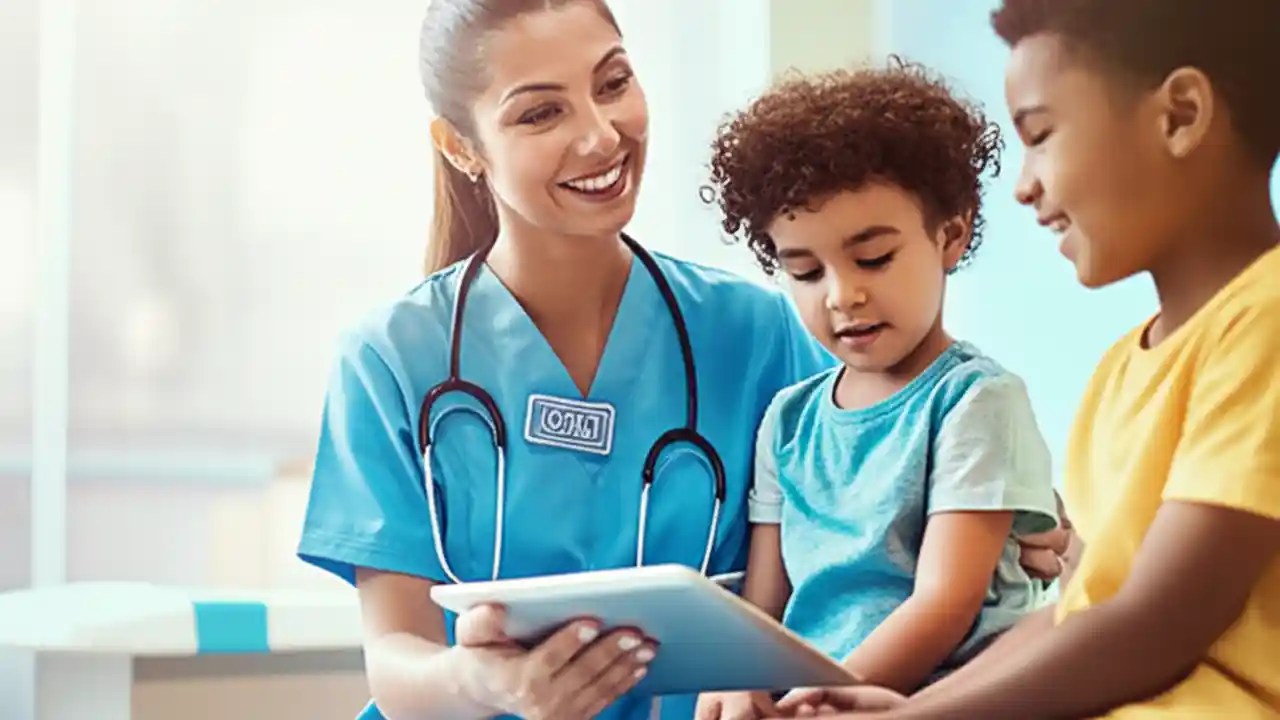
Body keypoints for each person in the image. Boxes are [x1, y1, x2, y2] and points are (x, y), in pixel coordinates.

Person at [295, 2, 1072, 719]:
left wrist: (1029, 517)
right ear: (462, 146)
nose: (601, 136)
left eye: (613, 83)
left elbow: (906, 463)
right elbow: (394, 662)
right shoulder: (391, 359)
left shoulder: (757, 332)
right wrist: (484, 682)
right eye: (540, 112)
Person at [780, 0, 1280, 717]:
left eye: (1041, 136)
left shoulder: (1266, 320)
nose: (1023, 185)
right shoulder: (1122, 370)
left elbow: (1156, 625)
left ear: (1180, 116)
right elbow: (1074, 614)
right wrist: (901, 710)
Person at [693, 61, 1060, 720]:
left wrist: (817, 698)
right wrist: (741, 679)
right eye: (805, 271)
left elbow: (943, 607)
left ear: (951, 235)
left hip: (942, 700)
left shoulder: (976, 402)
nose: (842, 295)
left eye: (873, 259)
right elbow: (765, 605)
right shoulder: (788, 421)